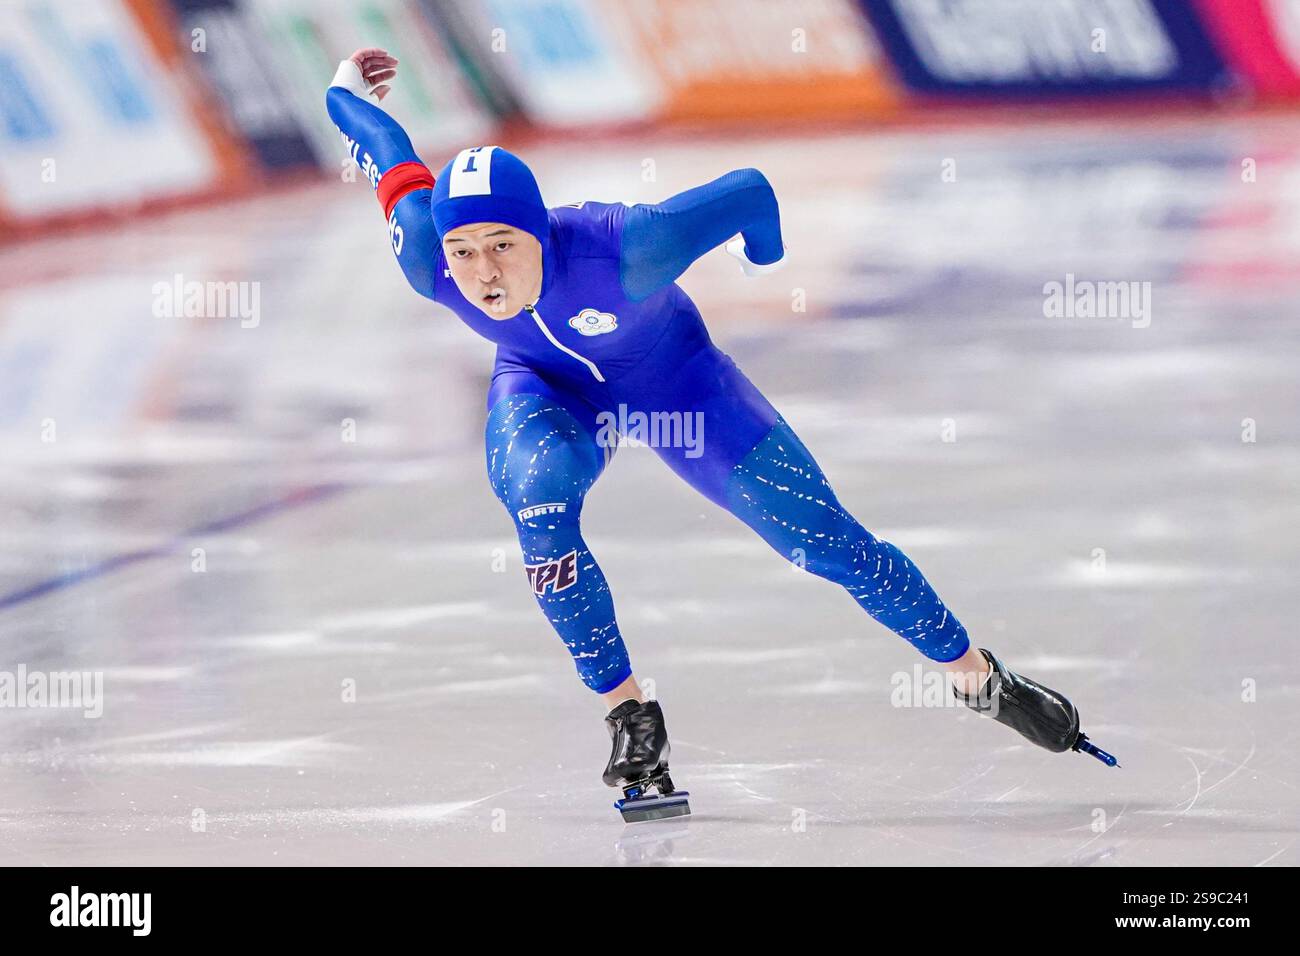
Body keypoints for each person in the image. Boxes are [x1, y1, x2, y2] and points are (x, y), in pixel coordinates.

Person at [326, 48, 1115, 818]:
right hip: (549, 388)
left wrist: (765, 254)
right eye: (465, 252)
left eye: (503, 245)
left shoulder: (627, 249)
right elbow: (386, 153)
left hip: (680, 386)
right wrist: (343, 88)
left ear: (541, 234)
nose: (483, 274)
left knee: (827, 543)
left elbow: (748, 189)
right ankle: (632, 717)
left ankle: (980, 678)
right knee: (537, 499)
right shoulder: (425, 254)